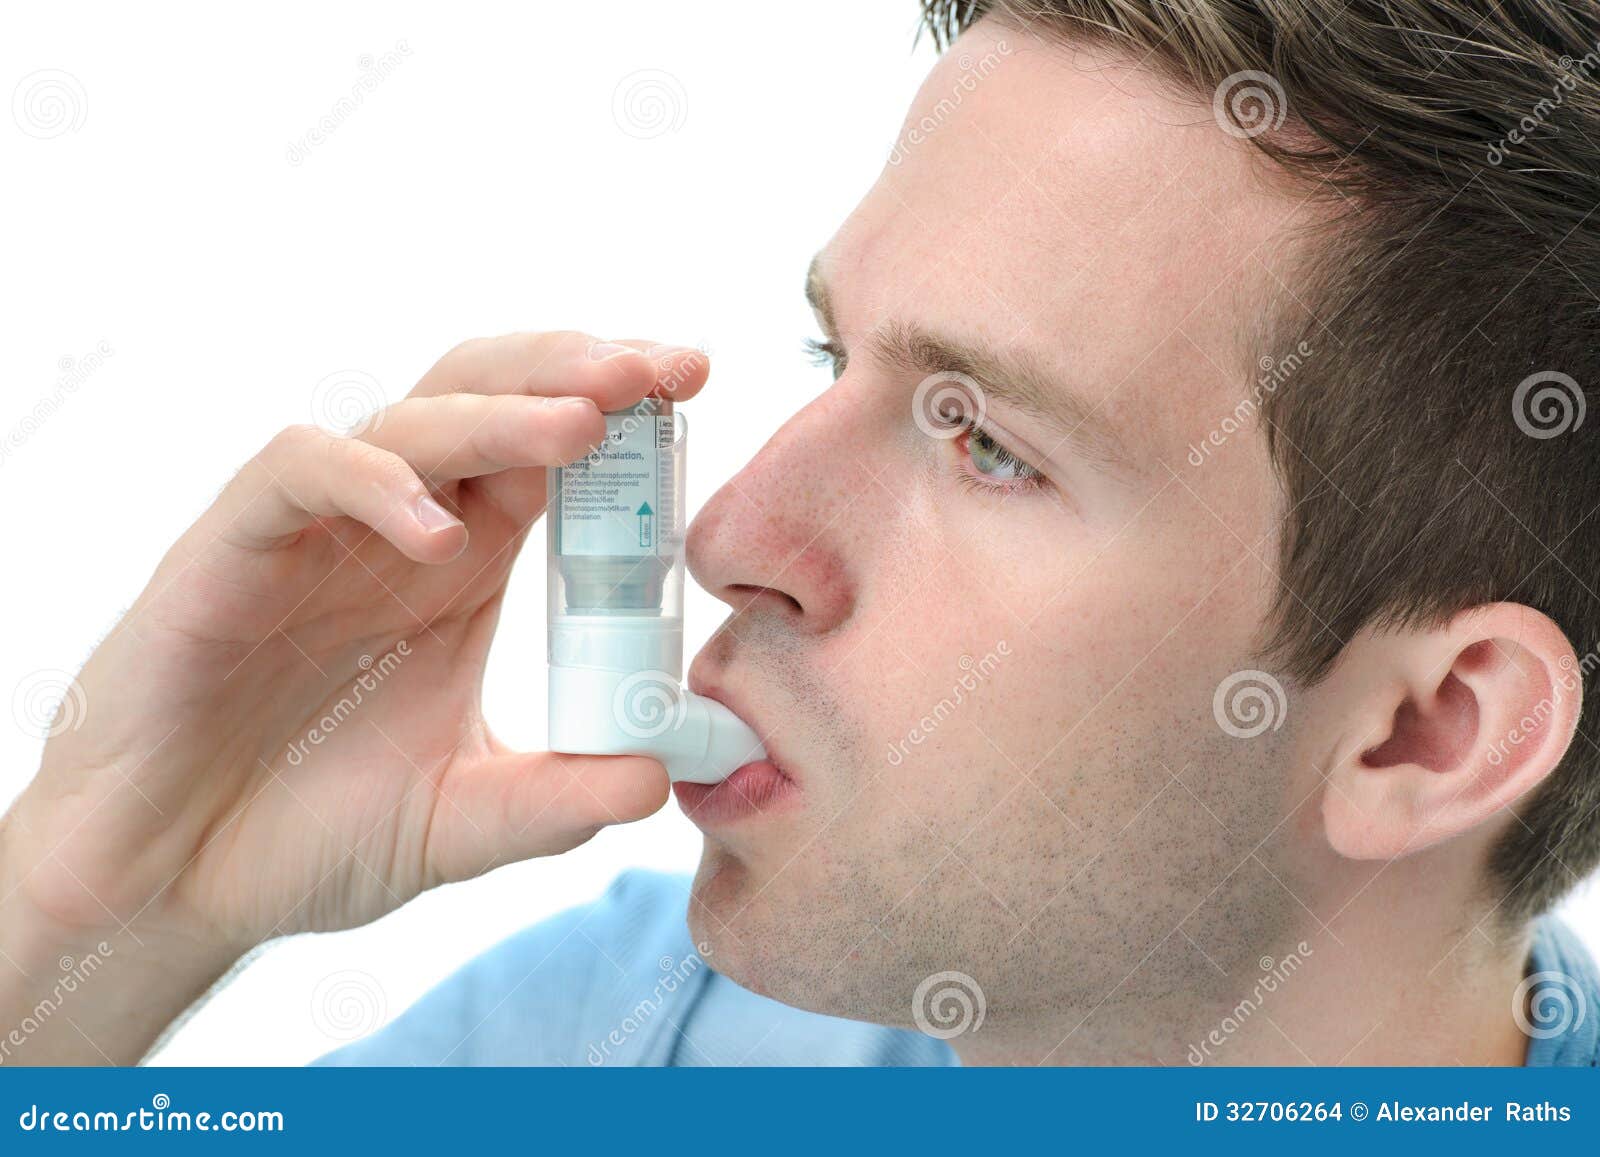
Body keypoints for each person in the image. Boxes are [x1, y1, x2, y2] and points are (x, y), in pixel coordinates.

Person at [6, 0, 1600, 1067]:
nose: (728, 531)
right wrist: (101, 908)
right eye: (842, 356)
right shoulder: (629, 1034)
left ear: (1425, 731)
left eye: (987, 444)